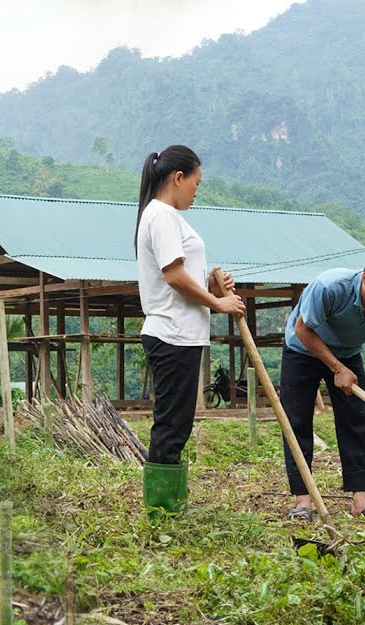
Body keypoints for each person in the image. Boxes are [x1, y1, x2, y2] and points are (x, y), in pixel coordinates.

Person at [135, 145, 245, 513]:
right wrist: (217, 302)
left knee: (177, 424)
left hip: (180, 333)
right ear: (178, 178)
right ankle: (162, 510)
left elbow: (182, 277)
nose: (197, 191)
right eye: (196, 182)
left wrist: (210, 286)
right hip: (171, 334)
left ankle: (170, 505)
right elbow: (174, 276)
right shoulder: (162, 215)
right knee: (171, 425)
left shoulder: (166, 217)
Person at [280, 248, 365, 521]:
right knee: (297, 423)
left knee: (354, 422)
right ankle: (303, 501)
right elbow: (302, 329)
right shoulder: (329, 287)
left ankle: (360, 501)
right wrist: (336, 368)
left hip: (347, 353)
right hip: (302, 349)